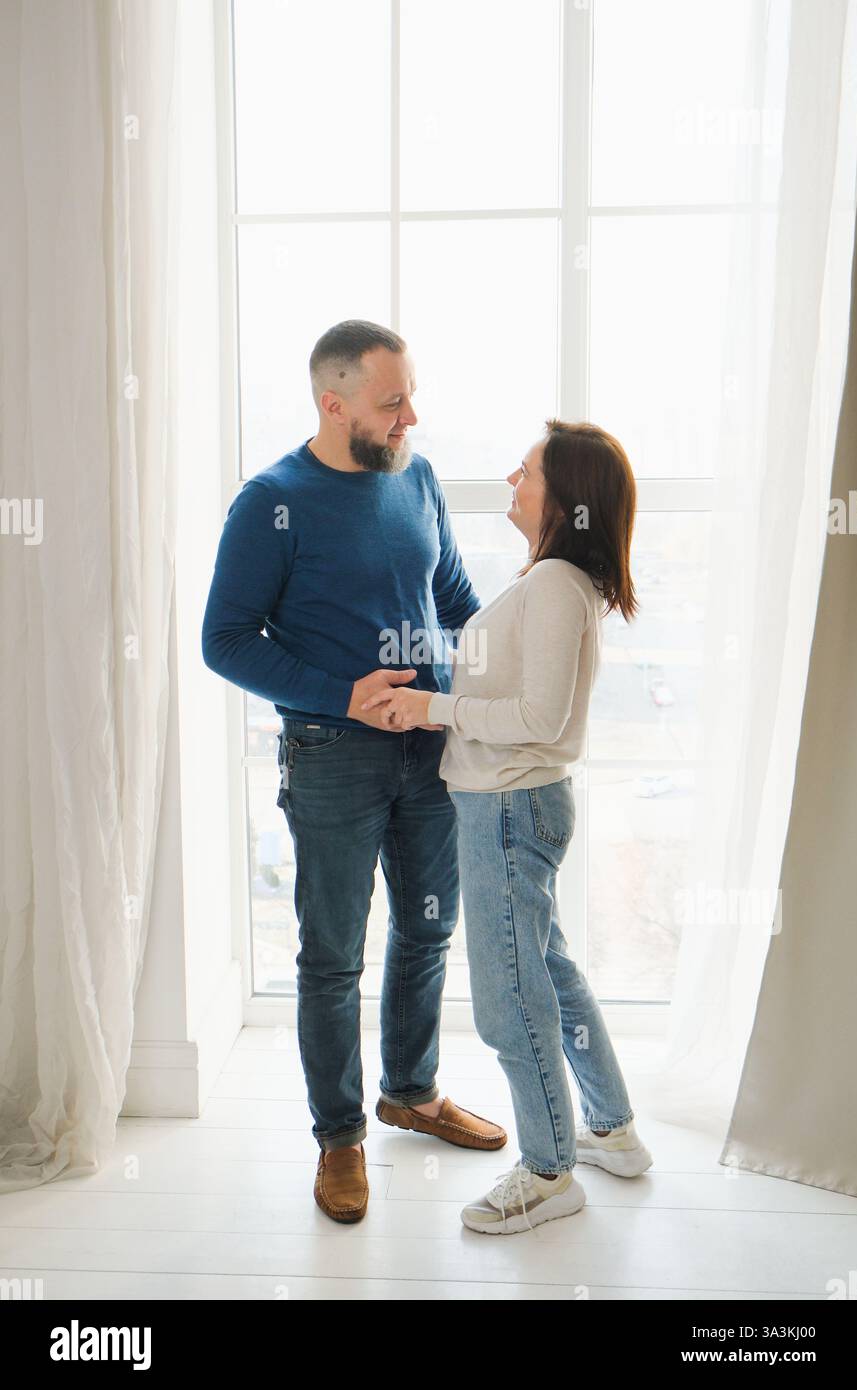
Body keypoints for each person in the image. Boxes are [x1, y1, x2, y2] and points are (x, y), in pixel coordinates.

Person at [201, 320, 509, 1225]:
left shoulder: (414, 475)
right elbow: (224, 640)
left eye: (409, 395)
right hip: (333, 757)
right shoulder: (270, 503)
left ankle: (409, 1092)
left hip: (432, 747)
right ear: (332, 405)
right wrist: (343, 694)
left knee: (426, 934)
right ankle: (339, 1137)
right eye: (391, 401)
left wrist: (521, 648)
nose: (411, 414)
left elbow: (450, 599)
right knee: (331, 958)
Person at [362, 419, 654, 1234]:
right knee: (549, 972)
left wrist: (431, 706)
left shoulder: (557, 584)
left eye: (525, 472)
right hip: (511, 802)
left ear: (565, 500)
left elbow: (537, 715)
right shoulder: (552, 579)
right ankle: (611, 1130)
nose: (511, 482)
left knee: (508, 1001)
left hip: (508, 807)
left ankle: (550, 1169)